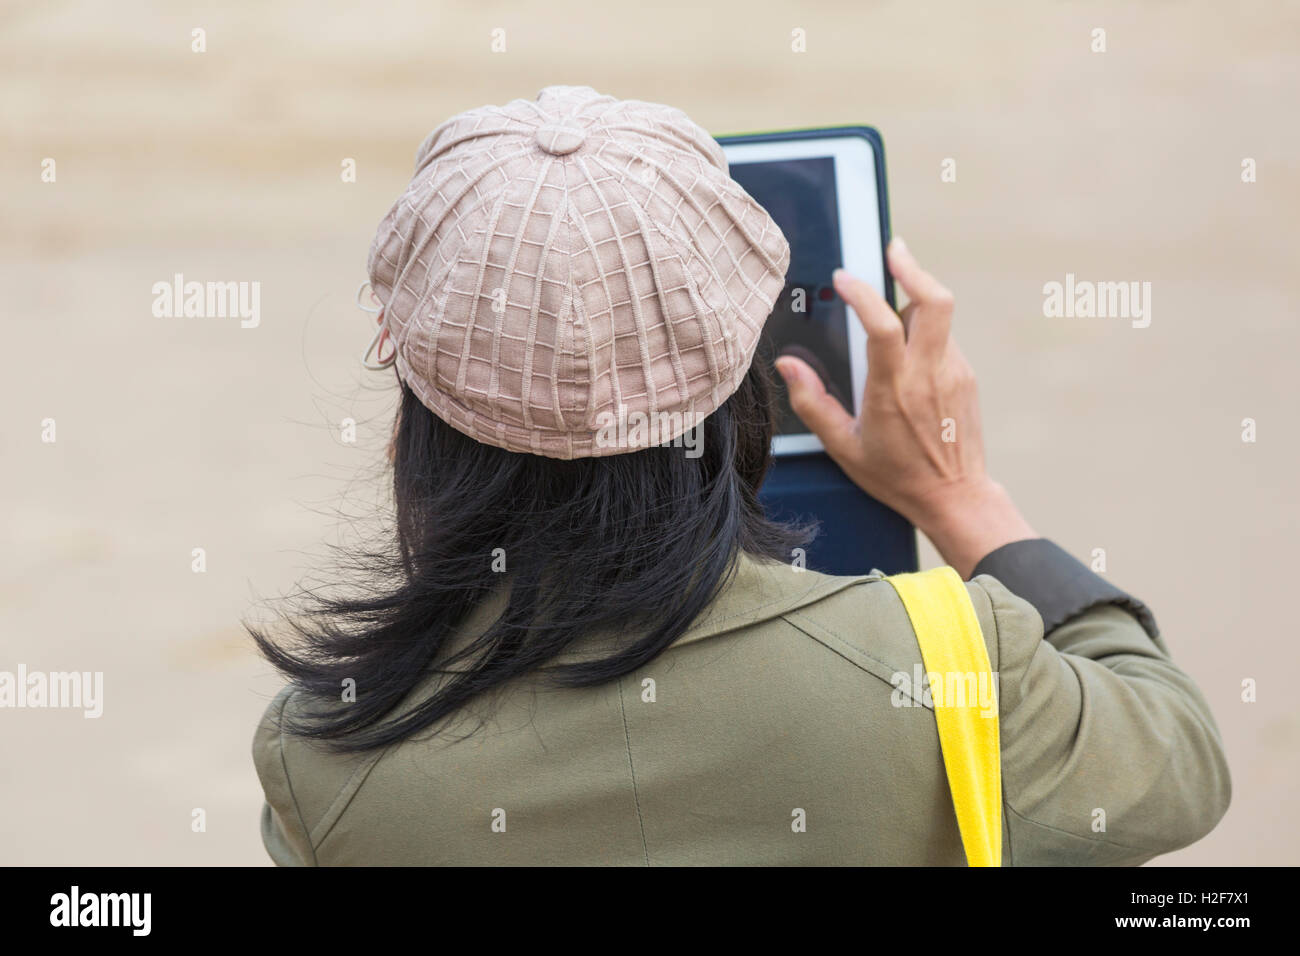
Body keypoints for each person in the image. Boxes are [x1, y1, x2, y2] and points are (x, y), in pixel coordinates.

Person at [251, 86, 1229, 866]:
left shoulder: (328, 756)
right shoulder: (948, 666)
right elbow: (1178, 756)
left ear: (417, 420)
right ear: (744, 382)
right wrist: (960, 496)